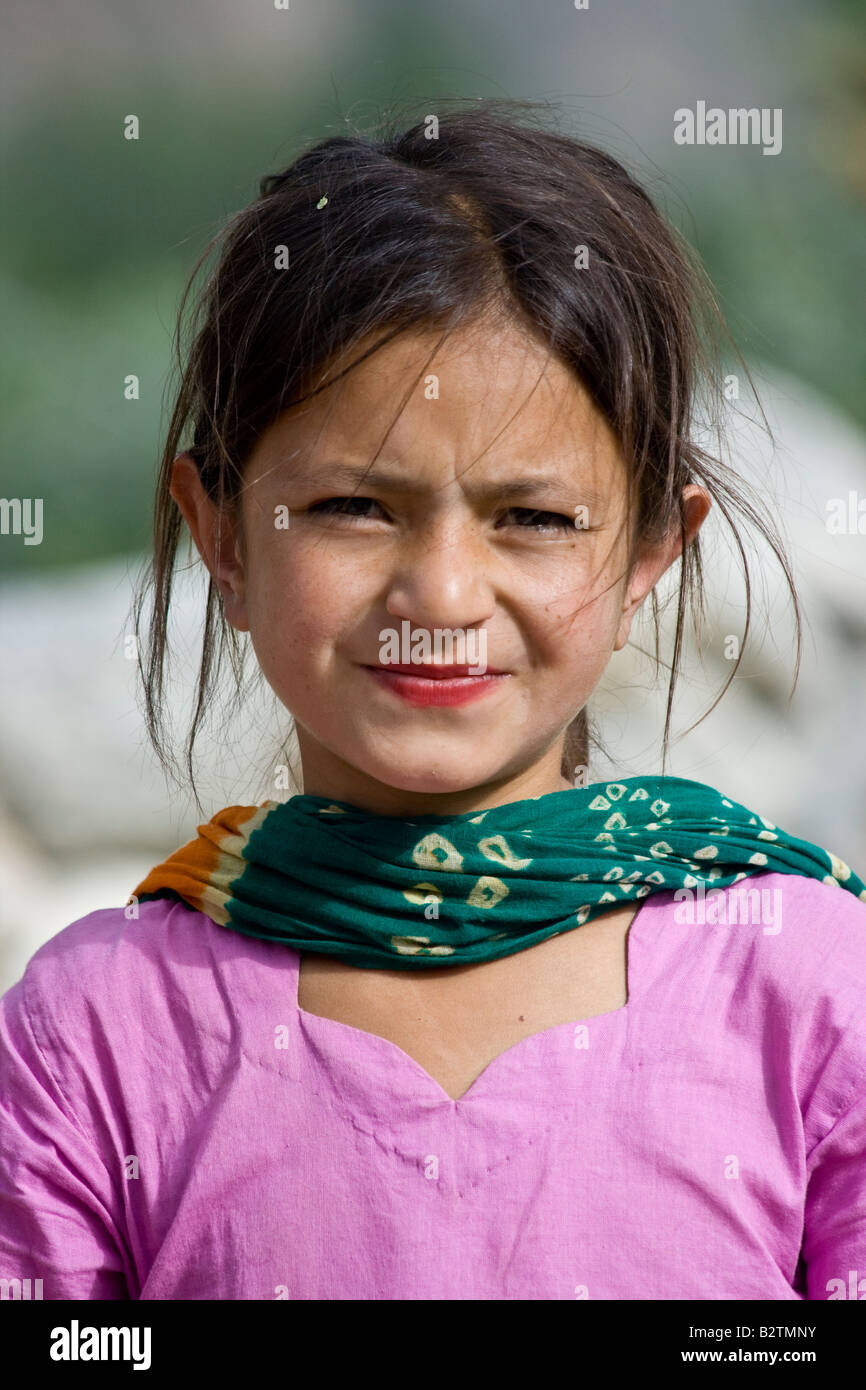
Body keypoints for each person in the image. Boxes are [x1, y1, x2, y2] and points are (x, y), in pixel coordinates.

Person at [1, 101, 864, 1302]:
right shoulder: (94, 1033)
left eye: (535, 518)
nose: (441, 593)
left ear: (650, 555)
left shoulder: (809, 991)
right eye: (356, 507)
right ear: (223, 536)